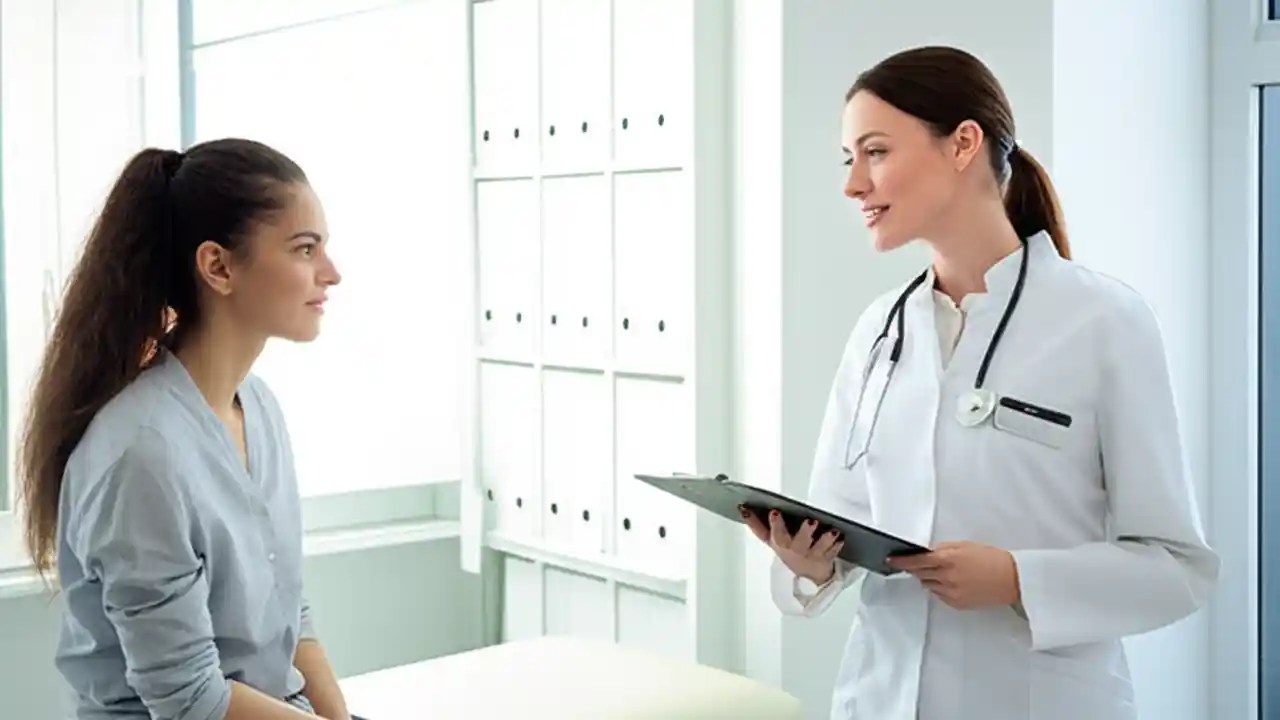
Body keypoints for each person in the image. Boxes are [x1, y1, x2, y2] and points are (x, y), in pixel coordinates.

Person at [742, 46, 1219, 720]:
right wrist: (811, 562)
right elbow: (840, 518)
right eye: (849, 158)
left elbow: (1177, 568)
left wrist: (1020, 579)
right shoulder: (880, 330)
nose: (853, 184)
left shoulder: (1105, 321)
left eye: (875, 152)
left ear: (964, 143)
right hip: (880, 698)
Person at [17, 138, 368, 719]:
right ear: (218, 267)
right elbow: (191, 701)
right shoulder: (140, 454)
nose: (331, 273)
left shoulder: (259, 408)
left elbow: (290, 613)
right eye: (305, 249)